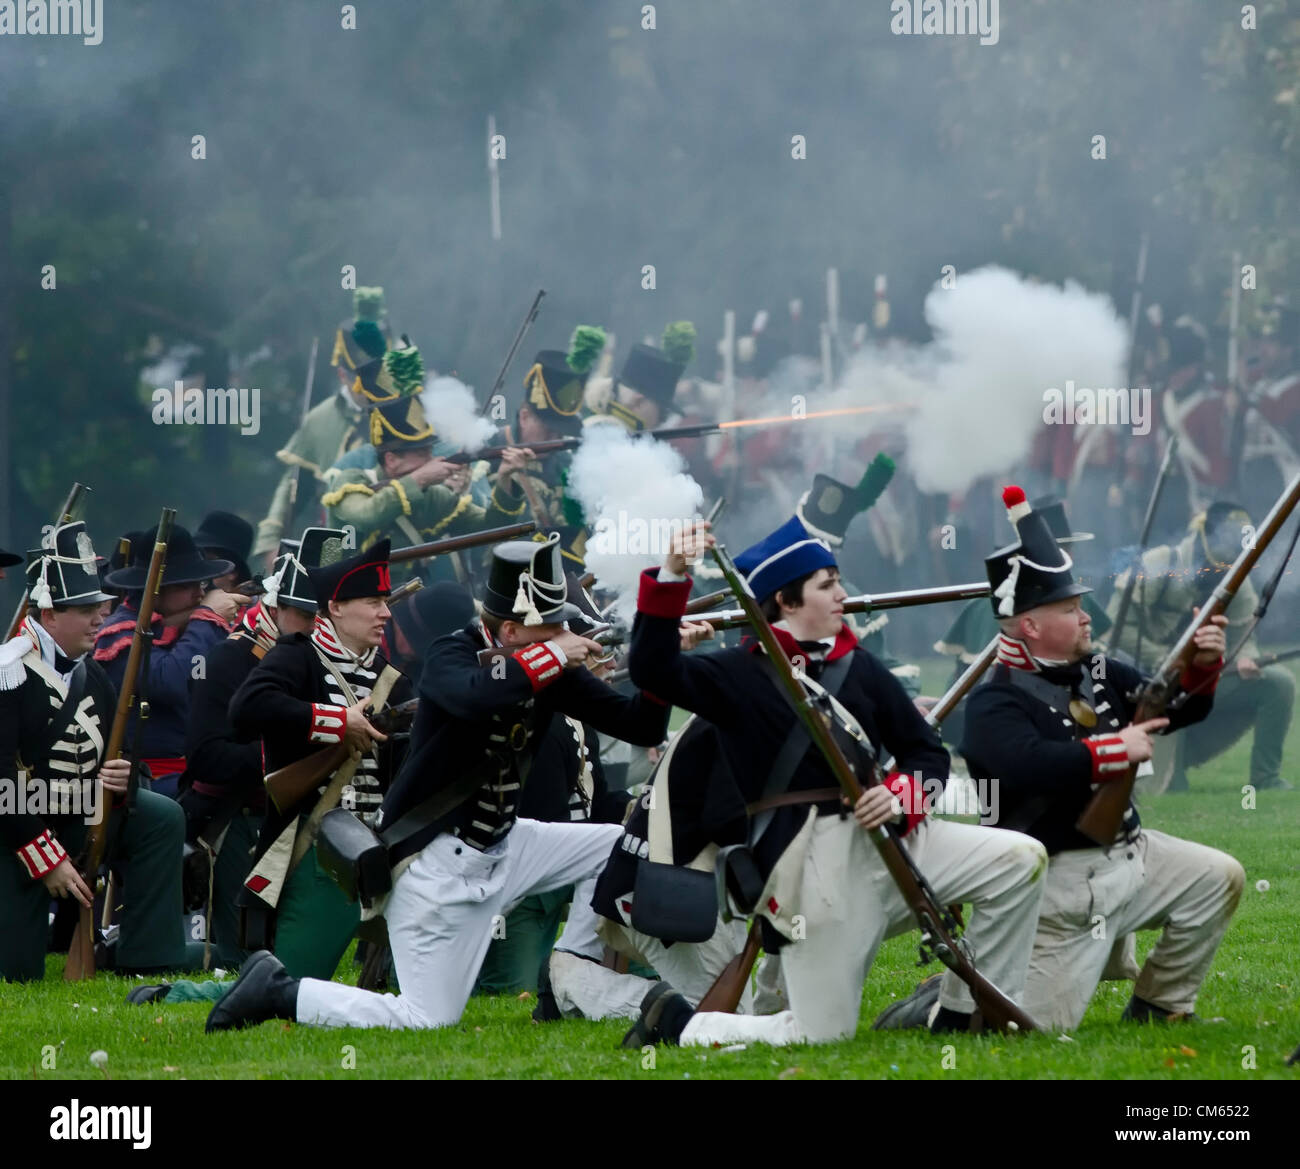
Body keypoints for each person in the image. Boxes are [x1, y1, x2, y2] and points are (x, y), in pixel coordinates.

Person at [205, 533, 672, 1032]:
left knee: (622, 843)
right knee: (426, 1018)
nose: (562, 635)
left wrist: (662, 651)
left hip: (507, 844)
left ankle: (571, 969)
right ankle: (281, 992)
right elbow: (474, 697)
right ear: (511, 631)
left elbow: (642, 727)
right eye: (551, 628)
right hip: (435, 861)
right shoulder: (454, 653)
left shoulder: (540, 668)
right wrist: (554, 657)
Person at [620, 514, 1049, 1048]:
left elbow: (924, 752)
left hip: (893, 837)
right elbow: (651, 669)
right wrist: (673, 572)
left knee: (1019, 860)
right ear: (787, 601)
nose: (843, 594)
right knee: (823, 1035)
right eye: (827, 585)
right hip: (809, 861)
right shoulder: (737, 674)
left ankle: (962, 1016)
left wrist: (902, 797)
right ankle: (686, 1025)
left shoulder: (860, 669)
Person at [958, 487, 1243, 1029]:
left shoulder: (1101, 670)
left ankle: (1160, 1006)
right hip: (1061, 887)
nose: (1086, 617)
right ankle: (950, 995)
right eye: (1069, 608)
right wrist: (1110, 751)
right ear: (1030, 626)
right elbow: (1022, 764)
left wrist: (1202, 667)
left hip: (1131, 855)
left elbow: (1173, 713)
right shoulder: (996, 698)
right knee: (1027, 1030)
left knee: (1218, 876)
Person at [132, 532, 339, 1002]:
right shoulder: (230, 658)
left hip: (302, 816)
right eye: (305, 615)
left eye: (319, 615)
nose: (313, 625)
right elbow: (207, 756)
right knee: (239, 955)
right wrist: (293, 752)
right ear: (277, 605)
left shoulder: (319, 654)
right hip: (237, 822)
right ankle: (139, 953)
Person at [0, 522, 190, 981]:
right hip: (18, 830)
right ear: (49, 616)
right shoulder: (9, 675)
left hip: (81, 815)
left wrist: (124, 782)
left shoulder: (95, 678)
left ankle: (147, 957)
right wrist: (48, 859)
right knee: (16, 972)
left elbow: (119, 754)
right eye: (85, 609)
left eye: (98, 607)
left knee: (161, 817)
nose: (99, 618)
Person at [221, 537, 412, 980]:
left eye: (385, 601)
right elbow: (246, 711)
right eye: (373, 601)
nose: (386, 612)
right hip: (316, 850)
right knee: (292, 986)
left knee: (413, 987)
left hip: (379, 847)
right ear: (336, 607)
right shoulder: (296, 656)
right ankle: (172, 995)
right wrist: (338, 722)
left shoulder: (389, 677)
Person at [1106, 500, 1294, 792]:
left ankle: (1265, 779)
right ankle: (1169, 772)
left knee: (1279, 683)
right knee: (1171, 782)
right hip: (1141, 678)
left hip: (1198, 680)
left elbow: (1244, 635)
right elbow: (1115, 633)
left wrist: (1247, 657)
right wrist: (1168, 660)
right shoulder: (1158, 564)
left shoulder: (1235, 575)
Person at [319, 341, 533, 584]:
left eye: (429, 451)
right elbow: (369, 515)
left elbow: (492, 527)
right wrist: (421, 478)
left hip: (395, 602)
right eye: (421, 454)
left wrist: (505, 478)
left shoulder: (431, 497)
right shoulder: (351, 482)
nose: (430, 460)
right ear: (391, 459)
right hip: (341, 602)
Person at [95, 523, 239, 800]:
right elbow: (170, 682)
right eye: (186, 586)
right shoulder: (120, 632)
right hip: (147, 784)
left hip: (195, 778)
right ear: (155, 590)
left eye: (201, 584)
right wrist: (207, 619)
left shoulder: (184, 628)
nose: (199, 594)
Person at [253, 287, 394, 565]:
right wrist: (271, 543)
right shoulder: (320, 419)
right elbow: (294, 485)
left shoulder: (408, 411)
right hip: (335, 545)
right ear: (343, 374)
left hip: (397, 542)